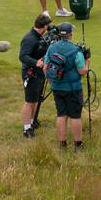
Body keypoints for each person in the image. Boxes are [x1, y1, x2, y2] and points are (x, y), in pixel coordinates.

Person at [39, 22, 87, 151]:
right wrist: (87, 61)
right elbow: (82, 71)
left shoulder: (52, 47)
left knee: (61, 114)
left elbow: (45, 67)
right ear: (70, 34)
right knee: (75, 116)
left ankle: (62, 144)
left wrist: (51, 81)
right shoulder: (76, 50)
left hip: (57, 87)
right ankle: (78, 145)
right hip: (73, 89)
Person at [18, 13, 50, 138]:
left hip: (39, 72)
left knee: (36, 100)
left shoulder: (40, 36)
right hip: (31, 73)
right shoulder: (29, 38)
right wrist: (36, 62)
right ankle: (26, 129)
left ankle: (31, 122)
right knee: (29, 102)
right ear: (44, 26)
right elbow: (22, 56)